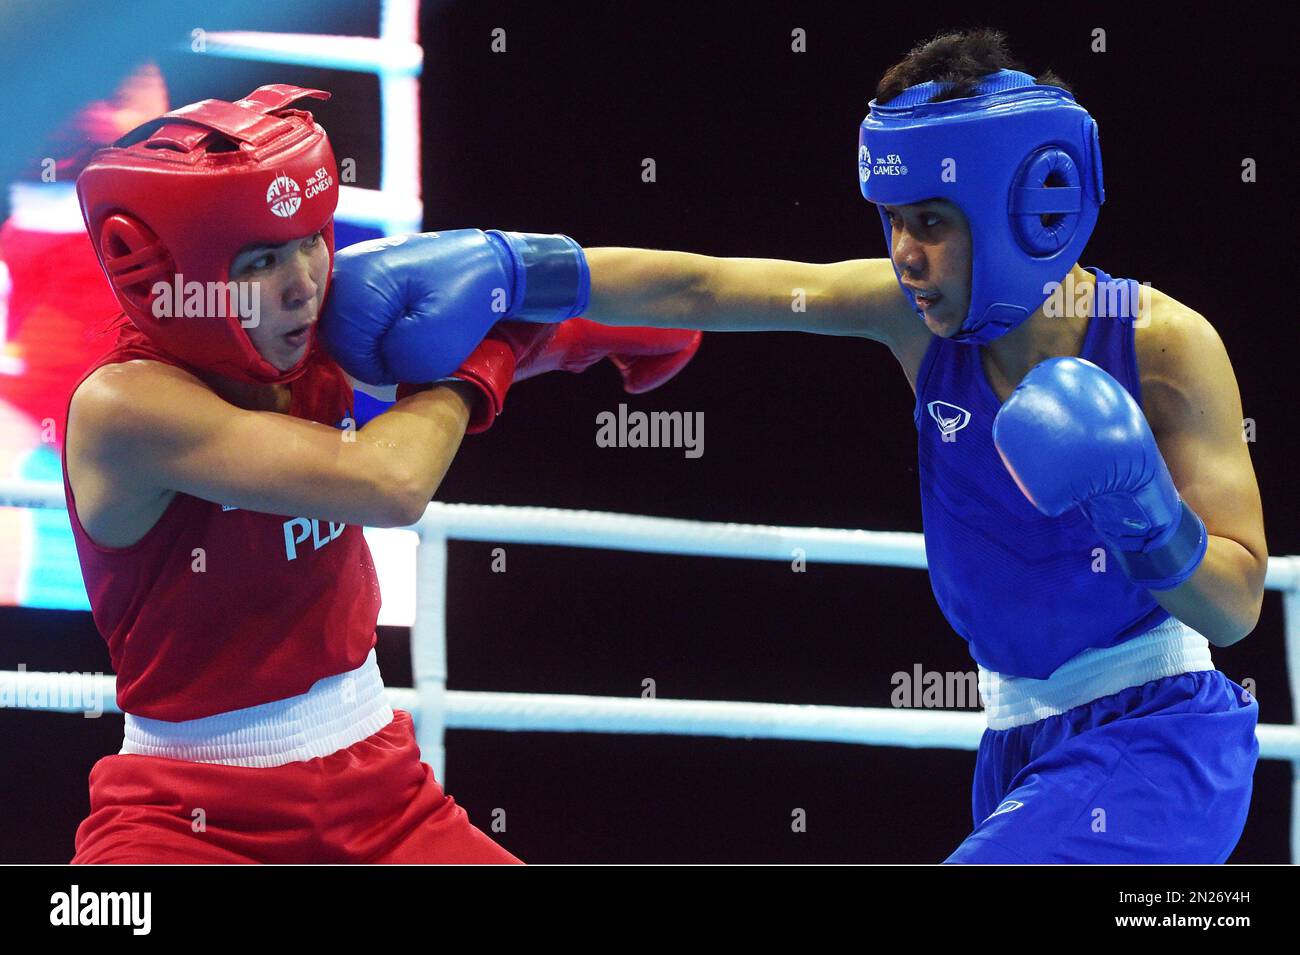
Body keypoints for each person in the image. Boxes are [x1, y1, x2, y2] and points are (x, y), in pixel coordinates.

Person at [369, 29, 1263, 862]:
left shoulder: (1161, 343)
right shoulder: (918, 326)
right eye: (893, 220)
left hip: (1163, 735)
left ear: (1037, 209)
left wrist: (1143, 506)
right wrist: (517, 268)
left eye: (934, 222)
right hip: (1015, 739)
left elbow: (1234, 609)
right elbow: (705, 288)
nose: (905, 255)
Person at [64, 83, 699, 863]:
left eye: (311, 239)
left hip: (384, 796)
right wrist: (480, 363)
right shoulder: (123, 406)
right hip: (183, 819)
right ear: (171, 274)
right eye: (263, 257)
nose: (305, 279)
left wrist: (615, 316)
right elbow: (385, 482)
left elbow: (578, 284)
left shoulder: (315, 317)